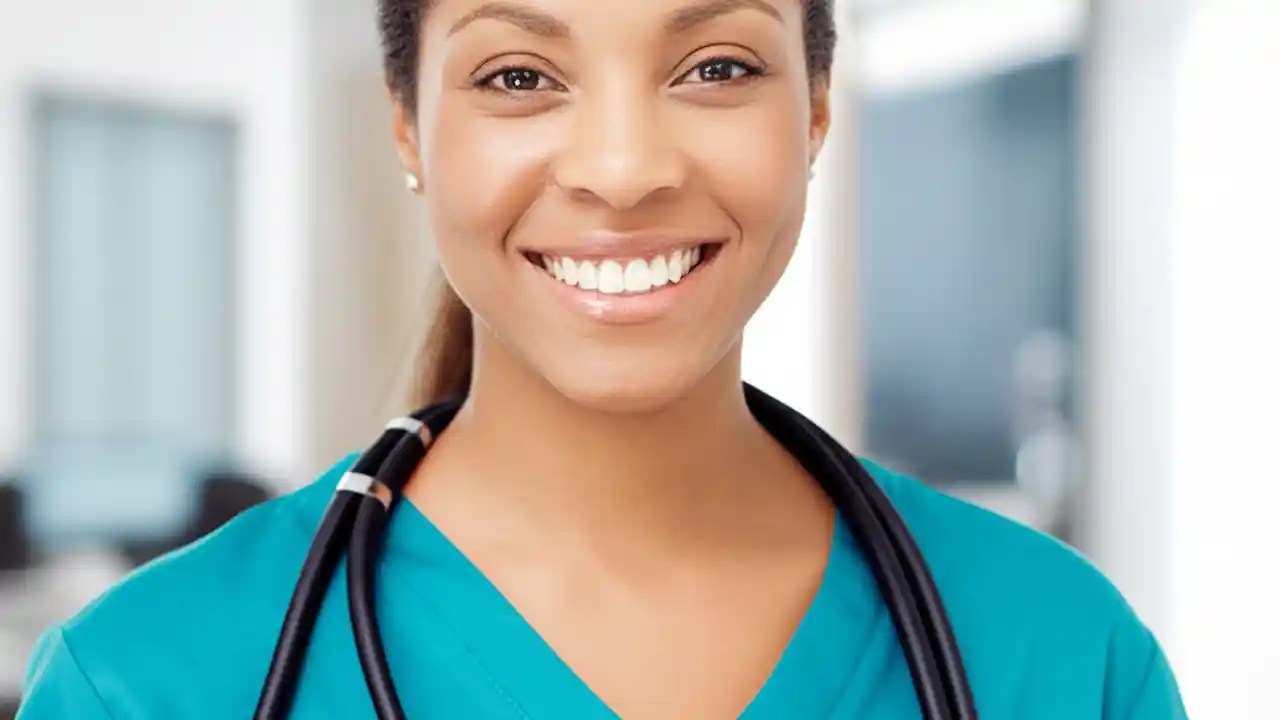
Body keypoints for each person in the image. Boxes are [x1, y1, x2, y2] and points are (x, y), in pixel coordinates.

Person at [17, 1, 1186, 717]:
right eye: (518, 76)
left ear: (817, 105)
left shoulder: (1060, 656)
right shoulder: (145, 683)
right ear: (408, 125)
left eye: (715, 65)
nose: (622, 168)